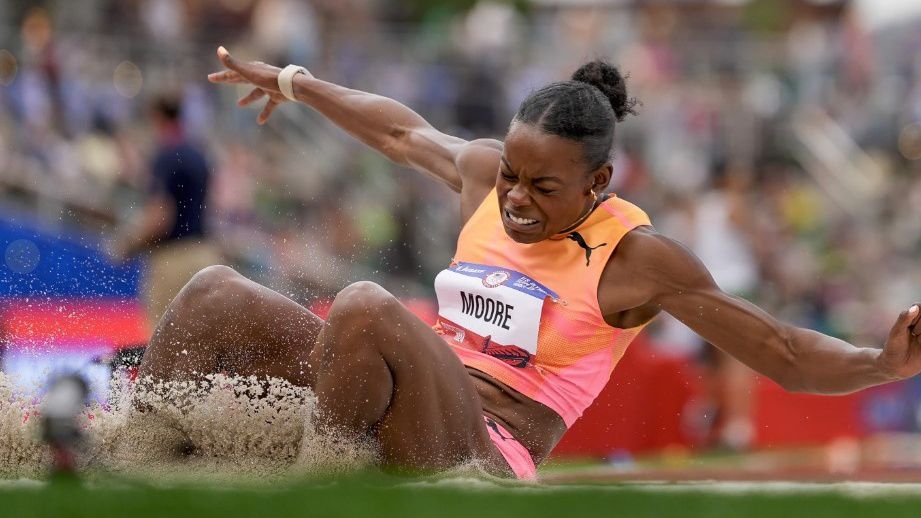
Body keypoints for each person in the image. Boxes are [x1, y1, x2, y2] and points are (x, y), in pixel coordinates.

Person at [137, 46, 921, 480]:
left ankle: (318, 491)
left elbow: (780, 352)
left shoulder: (636, 260)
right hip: (392, 395)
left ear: (598, 183)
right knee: (212, 294)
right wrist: (292, 81)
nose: (514, 198)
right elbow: (401, 134)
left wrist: (878, 366)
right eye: (511, 173)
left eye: (542, 187)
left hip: (482, 453)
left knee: (368, 308)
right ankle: (135, 457)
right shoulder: (489, 176)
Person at [111, 94, 223, 329]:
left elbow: (160, 217)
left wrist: (128, 245)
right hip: (205, 255)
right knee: (203, 340)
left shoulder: (166, 156)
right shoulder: (198, 154)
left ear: (156, 116)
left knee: (163, 343)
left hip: (173, 261)